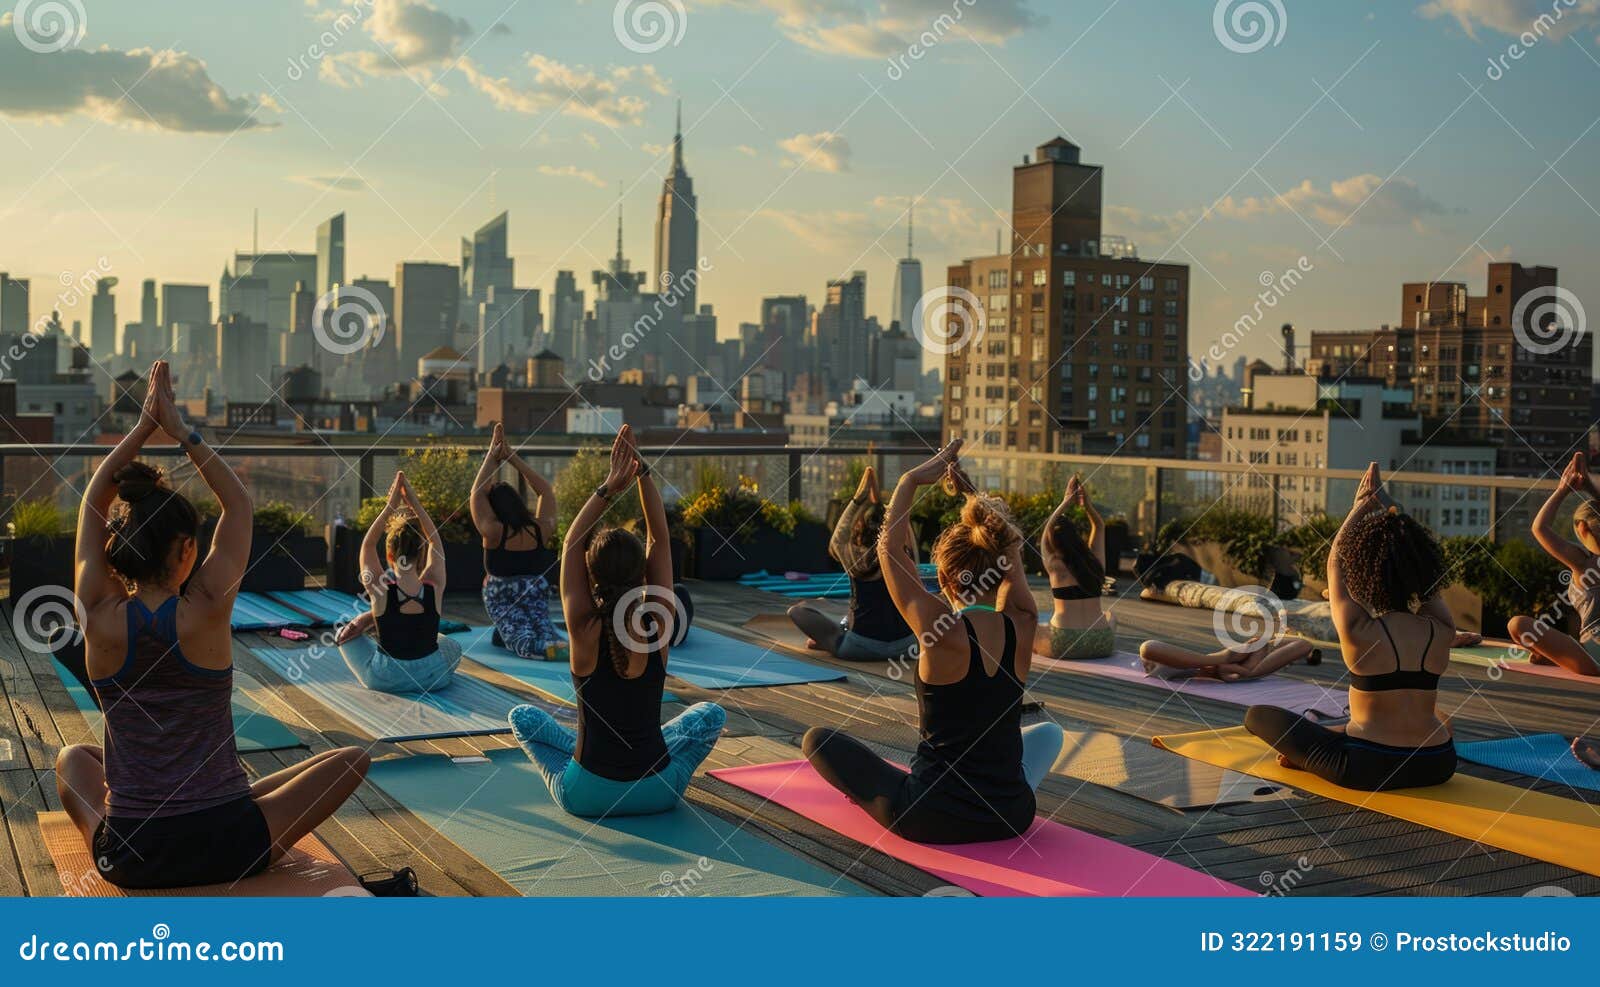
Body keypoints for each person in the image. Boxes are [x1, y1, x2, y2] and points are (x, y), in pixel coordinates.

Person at [55, 361, 369, 889]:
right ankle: (226, 796)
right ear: (186, 550)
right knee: (352, 759)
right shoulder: (206, 610)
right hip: (229, 844)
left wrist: (141, 430)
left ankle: (102, 841)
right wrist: (184, 433)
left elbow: (93, 505)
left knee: (71, 759)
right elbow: (238, 505)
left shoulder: (99, 615)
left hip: (132, 855)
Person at [801, 439, 1065, 844]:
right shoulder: (1023, 622)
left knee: (817, 740)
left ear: (943, 579)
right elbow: (1008, 548)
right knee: (1049, 734)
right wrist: (973, 496)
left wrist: (910, 480)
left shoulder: (941, 629)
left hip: (931, 815)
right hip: (1011, 815)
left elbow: (889, 549)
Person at [507, 425, 725, 817]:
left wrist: (609, 486)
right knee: (711, 715)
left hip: (589, 796)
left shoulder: (583, 626)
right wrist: (643, 474)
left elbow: (572, 543)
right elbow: (660, 538)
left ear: (591, 576)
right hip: (659, 791)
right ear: (642, 573)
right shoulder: (658, 621)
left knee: (522, 718)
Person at [1243, 463, 1455, 792]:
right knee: (1367, 722)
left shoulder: (1359, 629)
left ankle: (1316, 750)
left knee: (1258, 716)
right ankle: (1329, 736)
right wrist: (1395, 515)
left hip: (1368, 766)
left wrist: (1360, 508)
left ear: (1364, 577)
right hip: (1438, 762)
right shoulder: (1441, 628)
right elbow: (1426, 578)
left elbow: (1335, 561)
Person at [334, 471, 462, 693]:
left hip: (386, 679)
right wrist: (415, 504)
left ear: (390, 556)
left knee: (342, 634)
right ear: (421, 553)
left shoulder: (379, 588)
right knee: (452, 646)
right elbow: (436, 542)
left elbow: (368, 545)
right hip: (434, 678)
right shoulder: (434, 584)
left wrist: (390, 505)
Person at [787, 465, 917, 661]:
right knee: (844, 618)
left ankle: (829, 639)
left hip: (860, 647)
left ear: (859, 530)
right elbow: (901, 525)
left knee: (797, 610)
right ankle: (834, 635)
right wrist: (886, 506)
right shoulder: (903, 555)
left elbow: (836, 540)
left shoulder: (854, 558)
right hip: (906, 647)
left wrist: (857, 499)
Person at [471, 422, 565, 660]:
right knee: (544, 628)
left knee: (520, 636)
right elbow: (546, 492)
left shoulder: (493, 531)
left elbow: (477, 492)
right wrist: (512, 457)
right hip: (534, 591)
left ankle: (536, 647)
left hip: (501, 594)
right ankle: (550, 644)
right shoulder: (540, 529)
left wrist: (494, 456)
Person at [1506, 452, 1600, 679]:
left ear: (1581, 528)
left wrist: (1562, 490)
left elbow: (1540, 529)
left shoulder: (1585, 563)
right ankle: (1552, 655)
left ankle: (1553, 655)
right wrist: (1589, 486)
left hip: (1594, 658)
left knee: (1517, 625)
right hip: (1590, 654)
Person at [1035, 475, 1117, 660]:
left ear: (1051, 542)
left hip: (1064, 642)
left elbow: (1046, 530)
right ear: (1075, 536)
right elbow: (1099, 526)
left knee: (1032, 625)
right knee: (1110, 615)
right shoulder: (1095, 563)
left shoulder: (1054, 564)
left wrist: (1066, 501)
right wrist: (1087, 505)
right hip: (1101, 642)